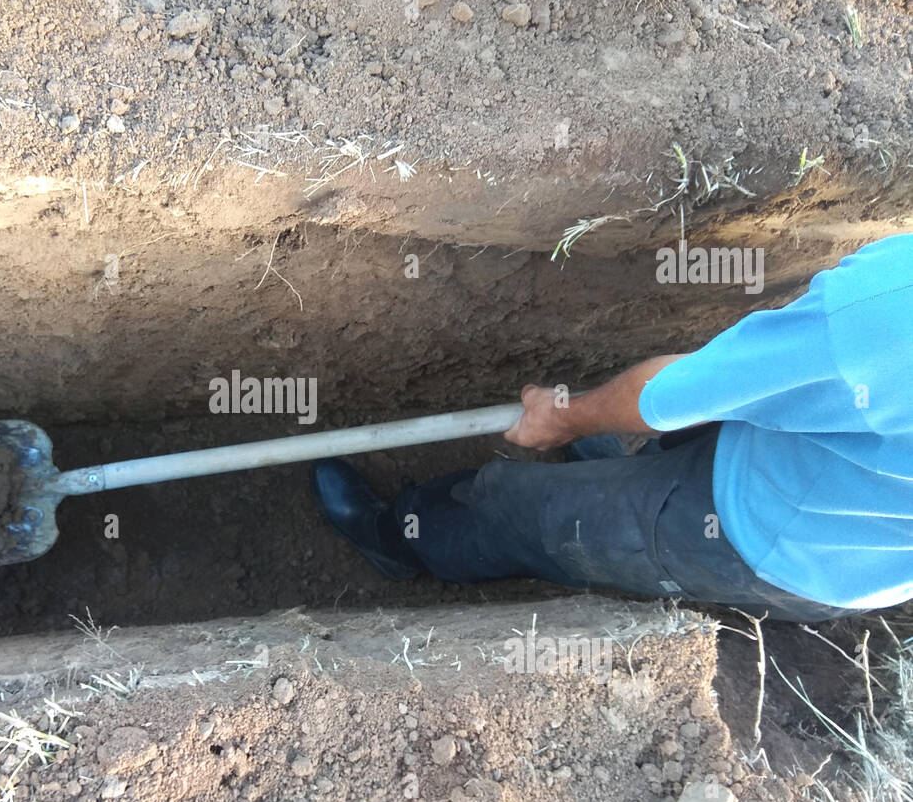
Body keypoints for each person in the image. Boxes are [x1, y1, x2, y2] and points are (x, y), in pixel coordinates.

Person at [311, 234, 913, 622]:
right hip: (856, 545)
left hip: (762, 530)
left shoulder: (896, 310)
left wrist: (562, 418)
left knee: (508, 506)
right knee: (655, 443)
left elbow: (669, 396)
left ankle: (392, 539)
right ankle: (616, 465)